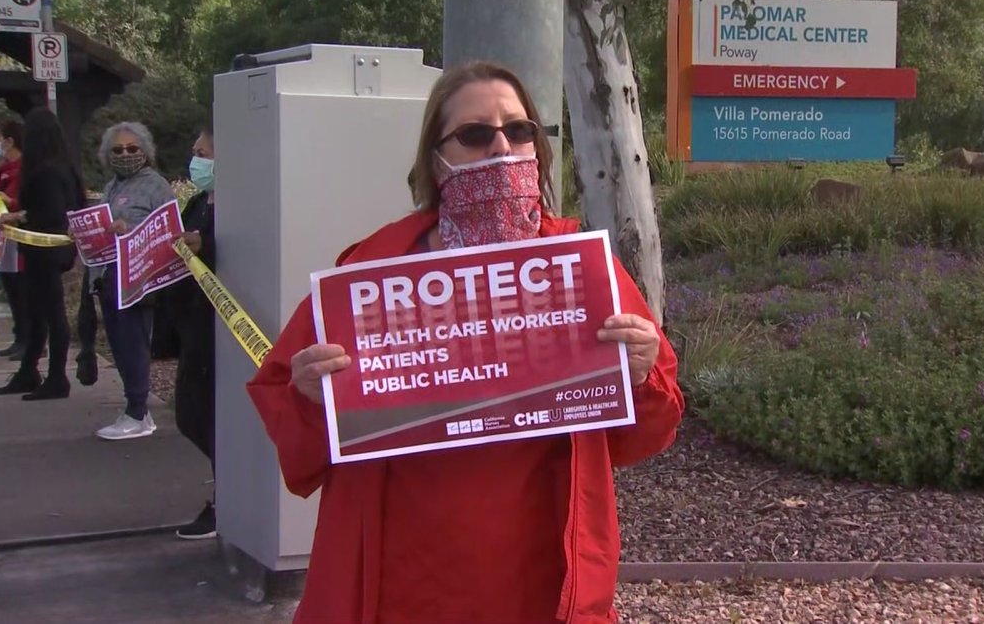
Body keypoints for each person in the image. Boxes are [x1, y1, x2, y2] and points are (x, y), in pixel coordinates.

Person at [246, 61, 685, 623]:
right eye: (476, 135)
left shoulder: (584, 271)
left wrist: (642, 372)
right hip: (399, 579)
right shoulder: (374, 274)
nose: (502, 148)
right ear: (437, 158)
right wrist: (310, 396)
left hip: (540, 574)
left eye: (520, 130)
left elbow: (649, 430)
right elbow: (287, 414)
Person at [0, 108, 84, 400]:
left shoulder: (45, 172)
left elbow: (49, 212)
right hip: (55, 248)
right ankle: (28, 371)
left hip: (44, 249)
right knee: (37, 311)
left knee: (52, 314)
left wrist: (18, 216)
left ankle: (57, 378)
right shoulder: (65, 166)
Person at [93, 122, 175, 440]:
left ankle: (137, 411)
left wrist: (131, 231)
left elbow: (168, 230)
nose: (125, 154)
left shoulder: (155, 186)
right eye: (118, 150)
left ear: (145, 151)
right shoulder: (112, 186)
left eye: (132, 148)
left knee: (133, 344)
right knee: (120, 344)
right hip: (109, 276)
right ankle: (136, 408)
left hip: (137, 278)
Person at [170, 123, 218, 540]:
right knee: (189, 413)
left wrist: (209, 247)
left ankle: (227, 499)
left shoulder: (238, 206)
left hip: (223, 330)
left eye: (202, 150)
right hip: (195, 326)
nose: (195, 156)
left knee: (213, 416)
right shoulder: (200, 202)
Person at [0, 120, 29, 360]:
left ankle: (30, 339)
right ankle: (19, 337)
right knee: (11, 289)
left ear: (10, 140)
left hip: (20, 235)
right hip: (3, 235)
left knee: (23, 289)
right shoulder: (3, 167)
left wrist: (10, 203)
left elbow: (28, 202)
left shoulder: (25, 167)